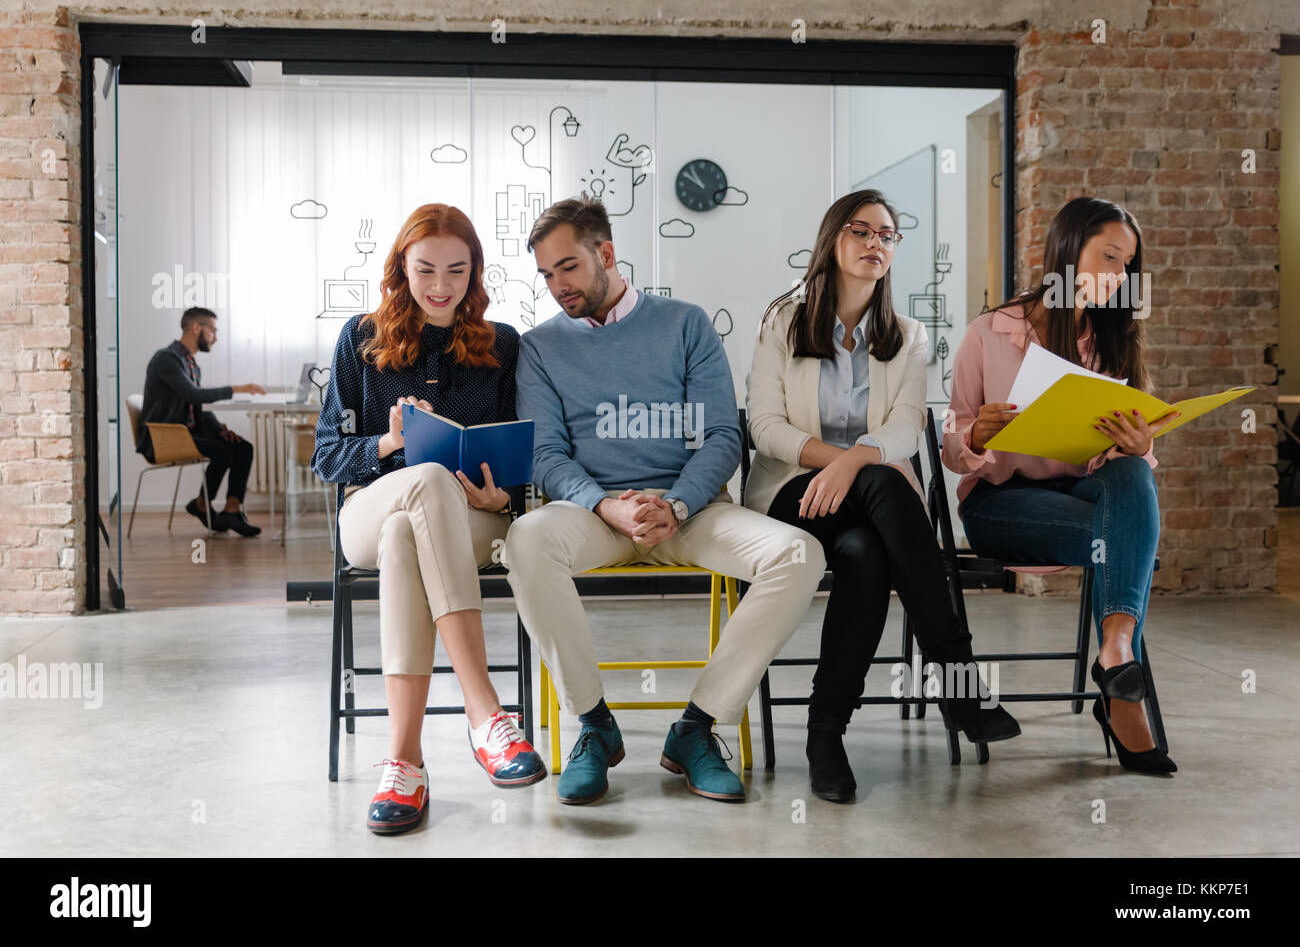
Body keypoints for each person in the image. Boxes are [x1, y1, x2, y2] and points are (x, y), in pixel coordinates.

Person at [505, 193, 827, 805]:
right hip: (594, 514)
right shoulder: (540, 346)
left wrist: (675, 504)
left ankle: (697, 728)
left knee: (798, 554)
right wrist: (607, 506)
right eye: (545, 274)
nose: (557, 286)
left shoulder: (685, 323)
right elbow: (546, 455)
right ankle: (595, 727)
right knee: (524, 538)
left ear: (606, 253)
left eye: (568, 267)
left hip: (690, 512)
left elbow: (722, 437)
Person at [744, 189, 1021, 802]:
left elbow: (904, 425)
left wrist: (858, 464)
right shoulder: (782, 321)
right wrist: (845, 465)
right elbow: (765, 427)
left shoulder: (908, 334)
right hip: (793, 498)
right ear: (831, 240)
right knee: (879, 480)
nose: (875, 244)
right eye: (861, 231)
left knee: (867, 555)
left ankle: (825, 736)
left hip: (872, 506)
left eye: (887, 235)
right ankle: (957, 678)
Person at [312, 203, 546, 836]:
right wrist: (389, 445)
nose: (441, 286)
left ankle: (404, 763)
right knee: (416, 490)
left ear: (475, 274)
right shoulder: (361, 339)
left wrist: (505, 500)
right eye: (425, 270)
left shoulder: (500, 345)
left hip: (473, 520)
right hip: (368, 508)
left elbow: (520, 456)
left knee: (405, 535)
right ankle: (486, 712)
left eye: (457, 271)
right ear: (400, 270)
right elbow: (326, 458)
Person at [943, 195, 1178, 776]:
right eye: (1109, 257)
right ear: (1070, 250)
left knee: (1129, 474)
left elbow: (1135, 464)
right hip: (1002, 503)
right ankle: (1121, 682)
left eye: (1128, 264)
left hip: (1085, 492)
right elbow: (951, 449)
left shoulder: (1115, 337)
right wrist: (978, 435)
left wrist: (1140, 446)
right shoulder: (988, 333)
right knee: (1127, 538)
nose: (1120, 275)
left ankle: (1115, 650)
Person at [137, 306, 267, 536]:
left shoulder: (190, 364)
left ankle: (232, 510)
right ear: (197, 328)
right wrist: (238, 388)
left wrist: (218, 430)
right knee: (224, 452)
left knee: (243, 447)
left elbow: (198, 408)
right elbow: (195, 396)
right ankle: (201, 504)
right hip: (163, 438)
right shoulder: (166, 360)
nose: (215, 338)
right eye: (213, 331)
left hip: (185, 433)